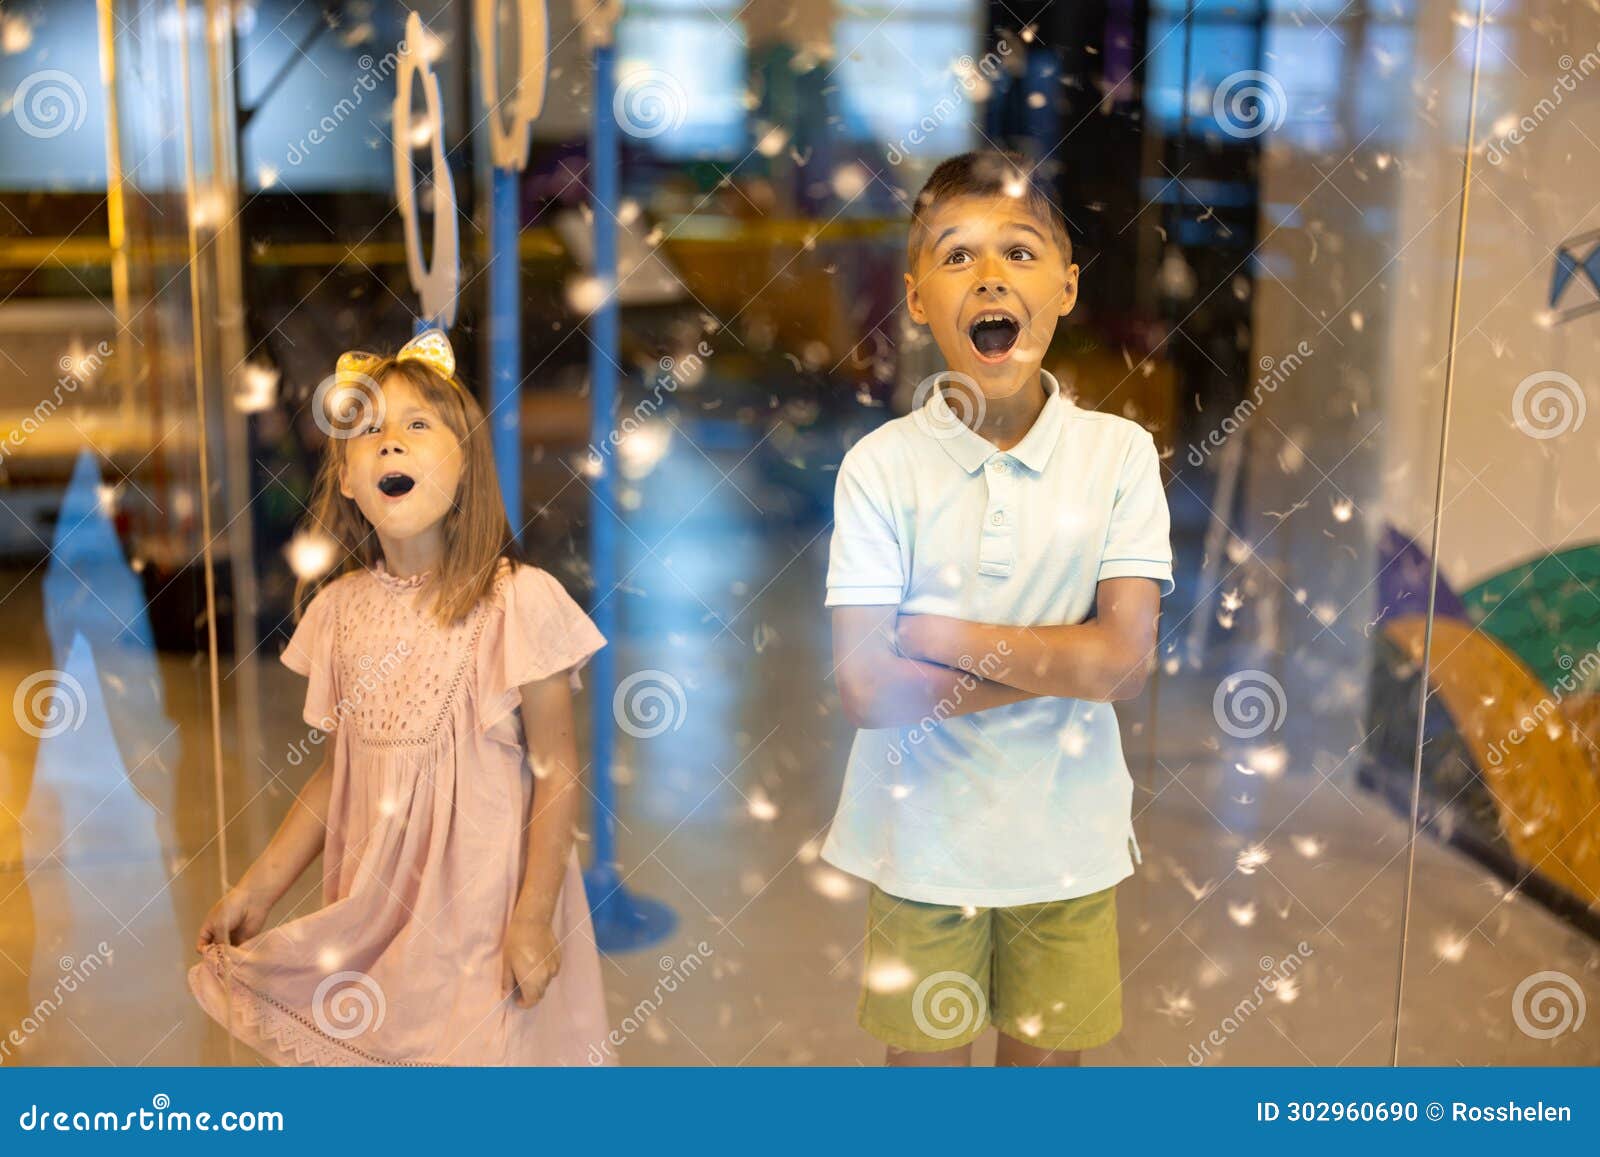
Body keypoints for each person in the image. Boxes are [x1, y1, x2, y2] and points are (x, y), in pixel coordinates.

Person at [824, 150, 1174, 1067]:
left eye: (1020, 253)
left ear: (1065, 286)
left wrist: (939, 640)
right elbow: (868, 690)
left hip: (1067, 849)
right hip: (919, 849)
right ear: (914, 296)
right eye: (956, 255)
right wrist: (1069, 663)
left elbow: (1125, 666)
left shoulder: (1120, 456)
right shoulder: (879, 468)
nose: (989, 275)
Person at [190, 329, 610, 1066]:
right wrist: (258, 886)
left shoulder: (519, 601)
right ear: (347, 479)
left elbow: (557, 771)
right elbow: (335, 773)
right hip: (375, 915)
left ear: (468, 467)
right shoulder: (340, 611)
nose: (390, 443)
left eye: (419, 426)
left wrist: (534, 914)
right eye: (369, 431)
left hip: (485, 920)